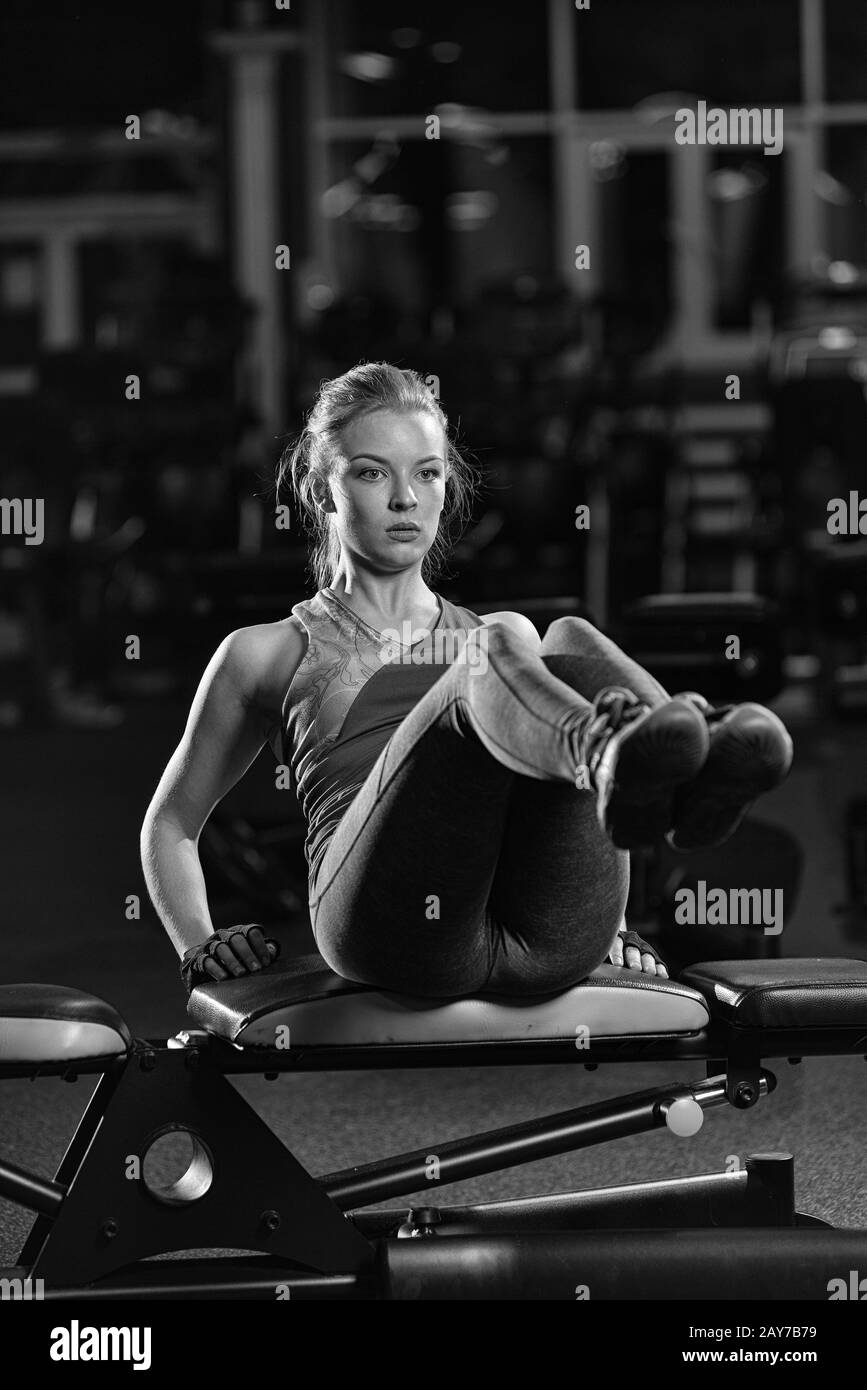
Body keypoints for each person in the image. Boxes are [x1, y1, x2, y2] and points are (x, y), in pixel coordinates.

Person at [140, 363, 793, 1000]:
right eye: (372, 473)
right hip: (387, 930)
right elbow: (171, 822)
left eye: (426, 474)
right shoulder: (263, 653)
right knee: (507, 635)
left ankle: (687, 765)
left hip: (547, 928)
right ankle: (604, 752)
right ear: (318, 491)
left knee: (563, 638)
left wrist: (613, 924)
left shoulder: (500, 658)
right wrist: (198, 940)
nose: (405, 499)